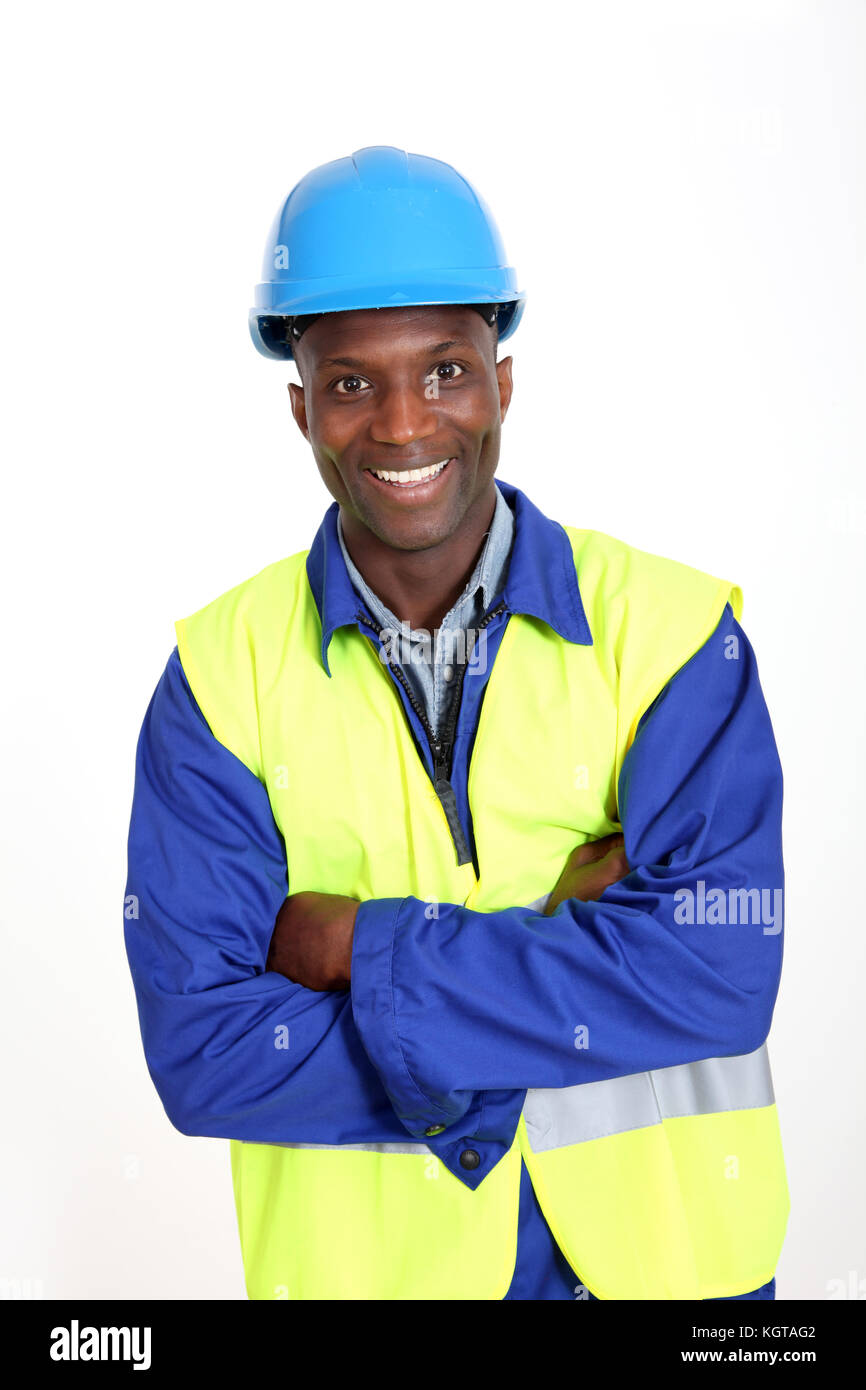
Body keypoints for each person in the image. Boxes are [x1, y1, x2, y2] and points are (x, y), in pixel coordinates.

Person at [124, 145, 789, 1300]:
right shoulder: (219, 681)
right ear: (299, 406)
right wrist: (566, 954)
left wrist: (355, 951)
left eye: (443, 370)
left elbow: (715, 975)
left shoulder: (673, 637)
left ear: (501, 381)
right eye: (350, 384)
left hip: (685, 1285)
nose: (401, 424)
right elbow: (207, 1053)